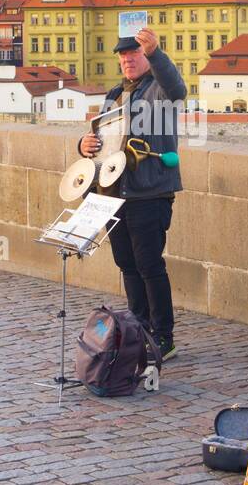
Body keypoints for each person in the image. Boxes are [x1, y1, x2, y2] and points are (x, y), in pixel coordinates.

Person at [78, 28, 186, 360]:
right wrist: (83, 146)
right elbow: (100, 142)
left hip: (150, 192)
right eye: (123, 57)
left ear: (145, 57)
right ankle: (139, 327)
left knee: (149, 264)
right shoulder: (114, 95)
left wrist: (156, 53)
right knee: (126, 264)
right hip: (115, 193)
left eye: (134, 54)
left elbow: (178, 88)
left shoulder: (160, 90)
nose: (127, 60)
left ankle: (163, 336)